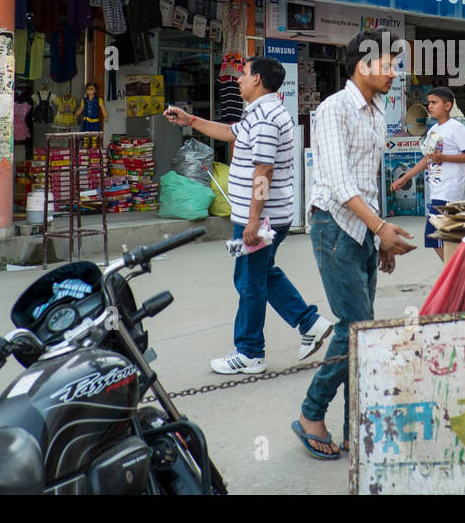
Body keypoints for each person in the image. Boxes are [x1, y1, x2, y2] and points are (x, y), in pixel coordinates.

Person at [164, 57, 332, 375]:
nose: (237, 79)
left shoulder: (267, 117)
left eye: (242, 74)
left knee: (249, 282)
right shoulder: (258, 112)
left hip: (262, 218)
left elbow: (263, 169)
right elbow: (230, 133)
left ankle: (250, 351)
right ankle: (310, 323)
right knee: (261, 273)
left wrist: (253, 220)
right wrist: (191, 120)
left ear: (256, 79)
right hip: (263, 215)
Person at [293, 29, 416, 460]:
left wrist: (379, 235)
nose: (394, 73)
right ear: (363, 65)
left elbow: (371, 178)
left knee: (361, 330)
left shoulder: (377, 113)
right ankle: (311, 413)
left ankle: (352, 428)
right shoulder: (332, 110)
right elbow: (341, 183)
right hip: (334, 226)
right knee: (355, 326)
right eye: (388, 64)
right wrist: (379, 227)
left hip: (364, 229)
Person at [392, 87, 465, 261]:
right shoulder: (434, 130)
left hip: (448, 191)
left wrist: (444, 157)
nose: (430, 106)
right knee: (440, 238)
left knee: (433, 236)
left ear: (447, 105)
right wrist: (405, 178)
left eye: (434, 102)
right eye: (429, 102)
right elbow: (428, 159)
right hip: (438, 191)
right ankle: (457, 275)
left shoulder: (456, 128)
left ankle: (455, 275)